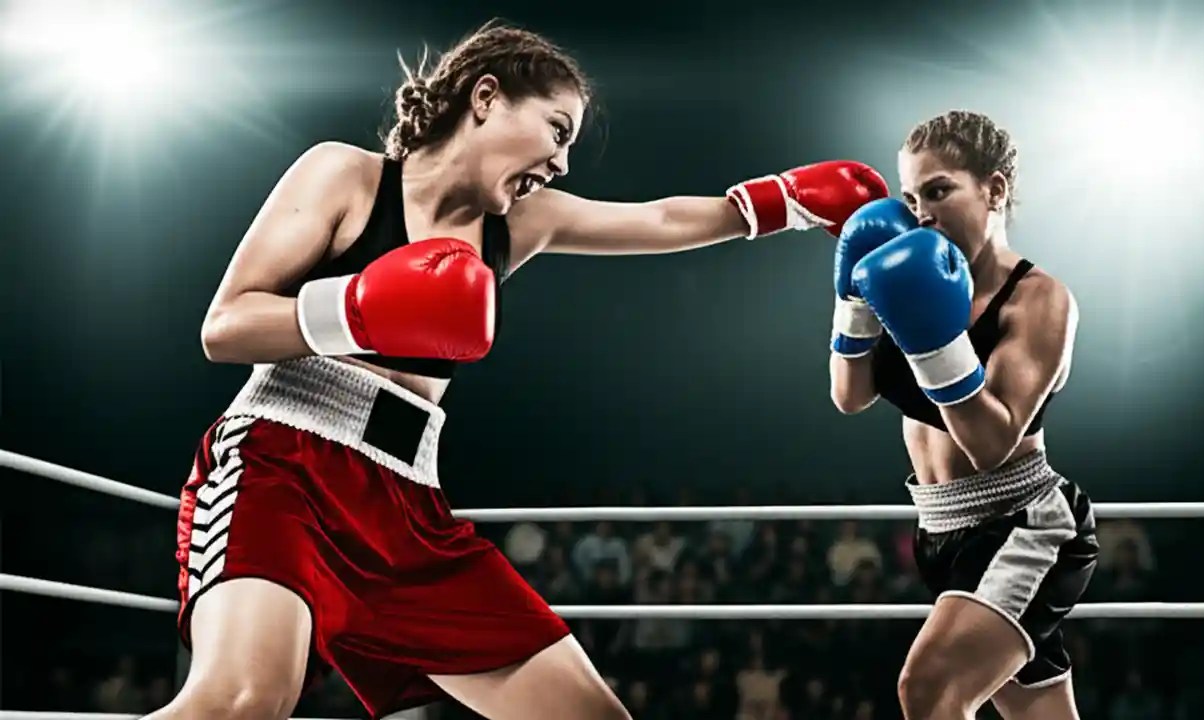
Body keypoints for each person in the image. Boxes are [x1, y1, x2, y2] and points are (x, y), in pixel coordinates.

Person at [148, 20, 889, 720]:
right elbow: (227, 325)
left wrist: (782, 200)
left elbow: (658, 219)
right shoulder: (345, 175)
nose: (562, 161)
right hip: (282, 465)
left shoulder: (520, 225)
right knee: (242, 701)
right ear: (486, 97)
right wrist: (361, 308)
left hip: (407, 505)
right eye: (556, 129)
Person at [828, 109, 1099, 719]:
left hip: (1023, 526)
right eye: (910, 195)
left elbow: (990, 443)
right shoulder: (905, 274)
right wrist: (854, 303)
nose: (920, 212)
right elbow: (850, 395)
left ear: (994, 189)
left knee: (928, 691)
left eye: (939, 190)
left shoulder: (1038, 299)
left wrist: (934, 337)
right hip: (940, 531)